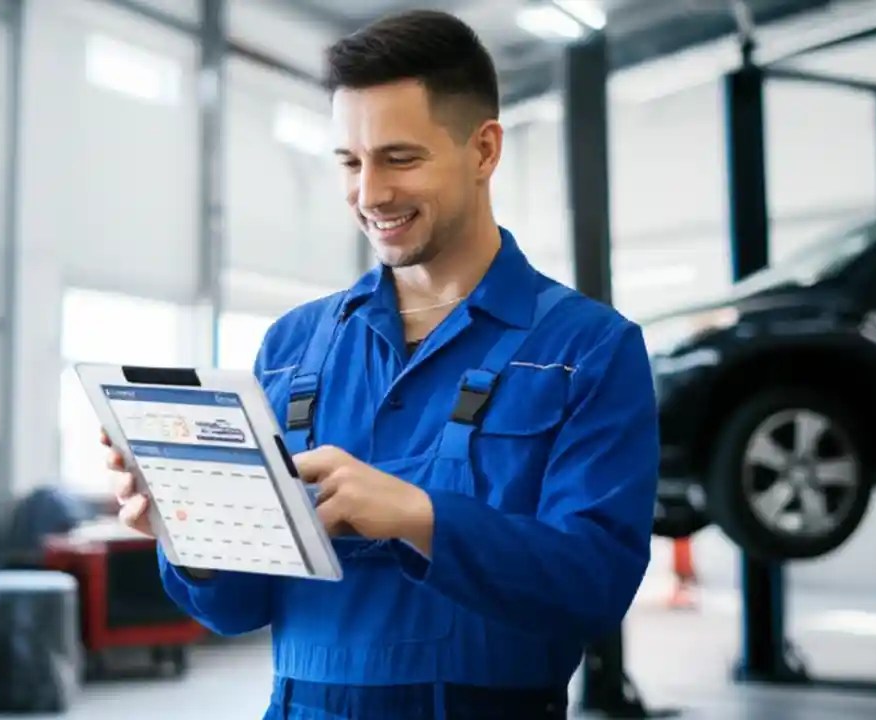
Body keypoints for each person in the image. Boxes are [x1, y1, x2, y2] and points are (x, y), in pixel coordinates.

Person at [104, 9, 659, 719]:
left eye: (400, 158)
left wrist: (419, 517)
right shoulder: (292, 346)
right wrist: (192, 532)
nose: (370, 194)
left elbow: (596, 584)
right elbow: (239, 608)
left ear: (484, 150)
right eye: (349, 162)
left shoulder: (586, 351)